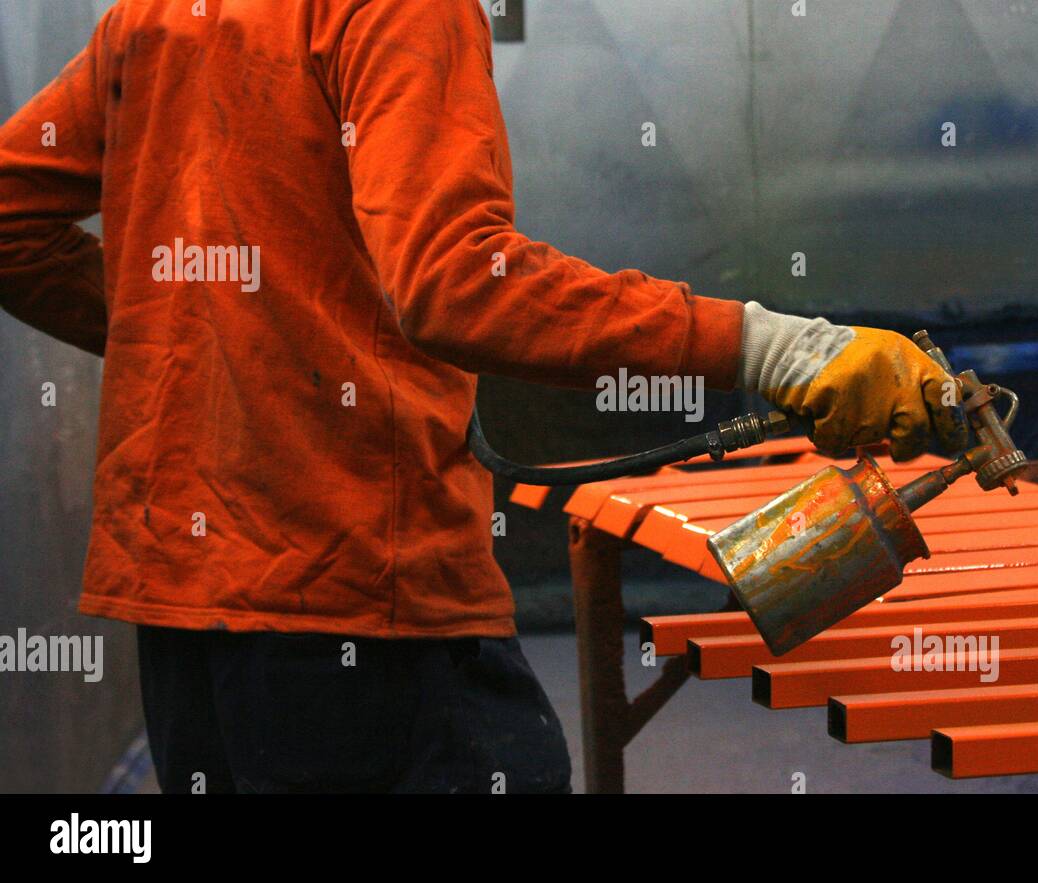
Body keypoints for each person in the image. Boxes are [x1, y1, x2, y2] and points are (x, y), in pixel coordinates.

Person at [0, 0, 965, 793]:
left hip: (184, 608)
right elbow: (458, 281)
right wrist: (775, 346)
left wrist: (207, 345)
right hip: (356, 591)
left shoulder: (154, 13)